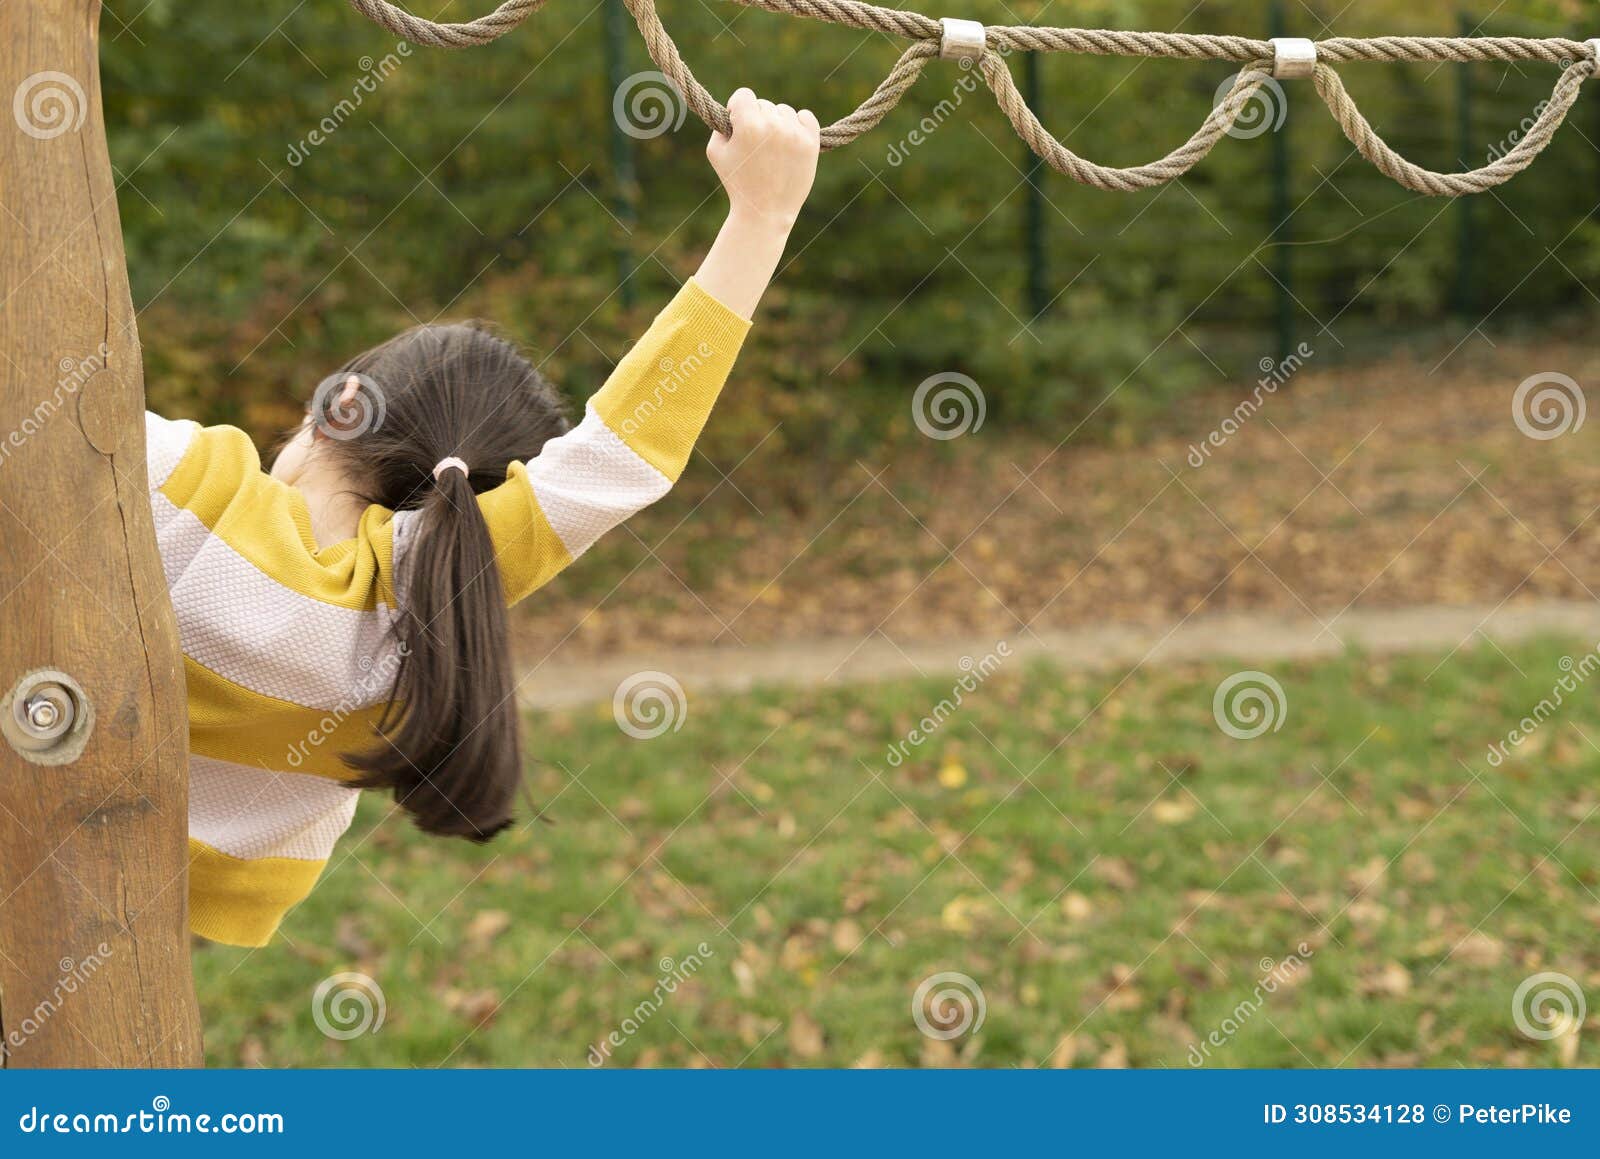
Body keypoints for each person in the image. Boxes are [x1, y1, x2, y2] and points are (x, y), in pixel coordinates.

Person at [143, 90, 821, 946]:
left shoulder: (184, 485)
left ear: (343, 402)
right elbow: (626, 451)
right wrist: (765, 217)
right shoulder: (414, 620)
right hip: (148, 943)